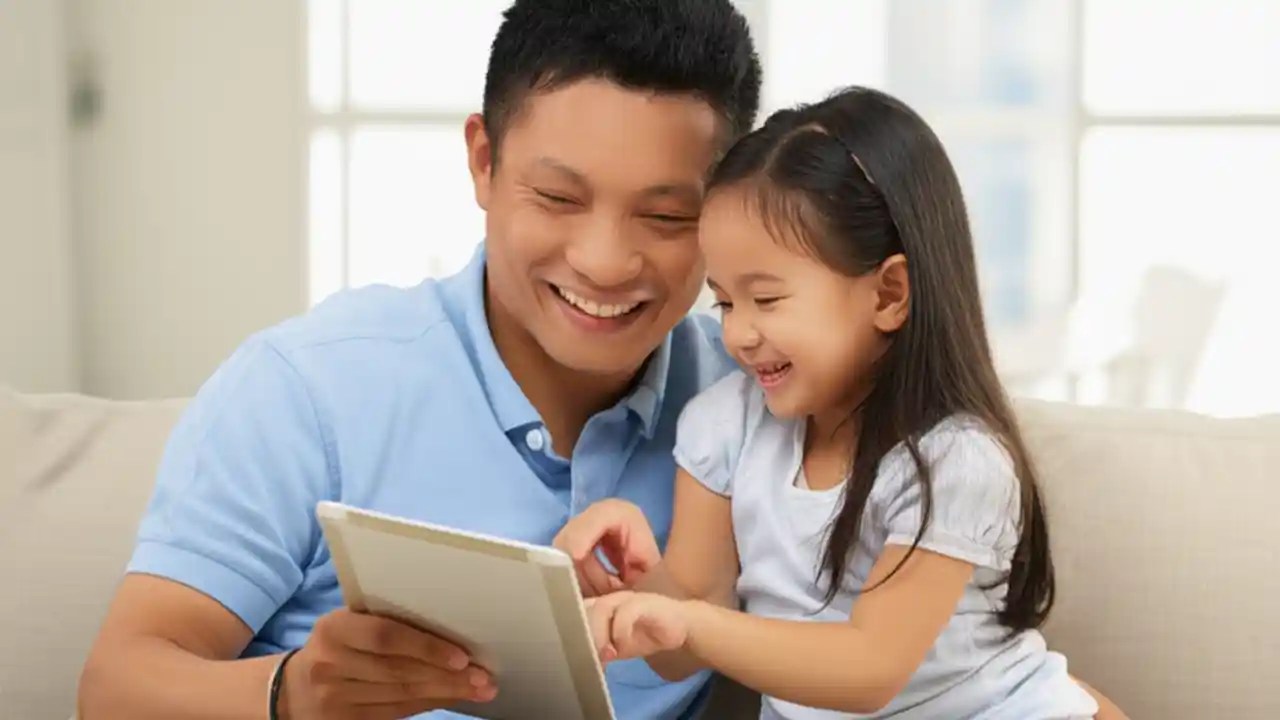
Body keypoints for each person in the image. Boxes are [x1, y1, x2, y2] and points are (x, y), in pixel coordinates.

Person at [76, 1, 761, 718]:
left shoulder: (759, 401)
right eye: (558, 197)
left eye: (667, 217)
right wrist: (292, 693)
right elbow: (115, 689)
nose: (605, 262)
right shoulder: (308, 389)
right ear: (483, 162)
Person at [556, 87, 1126, 719]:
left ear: (888, 294)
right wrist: (638, 584)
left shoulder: (955, 462)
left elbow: (868, 670)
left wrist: (686, 622)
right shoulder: (724, 428)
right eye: (724, 301)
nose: (738, 333)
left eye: (766, 299)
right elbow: (679, 647)